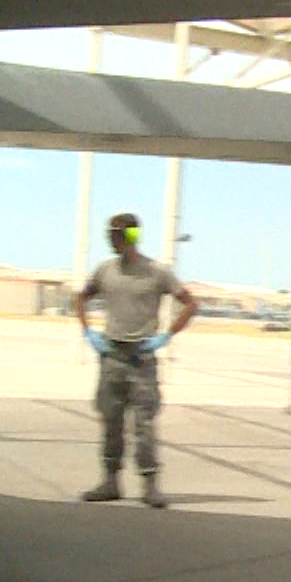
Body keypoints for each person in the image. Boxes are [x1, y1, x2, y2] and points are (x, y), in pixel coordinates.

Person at [72, 212, 197, 508]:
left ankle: (150, 483)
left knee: (144, 423)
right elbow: (80, 298)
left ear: (131, 237)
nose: (112, 240)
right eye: (110, 235)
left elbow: (191, 304)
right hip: (112, 355)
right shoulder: (105, 271)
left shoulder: (157, 273)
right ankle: (110, 481)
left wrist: (165, 336)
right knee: (111, 420)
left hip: (141, 357)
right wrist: (88, 330)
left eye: (117, 235)